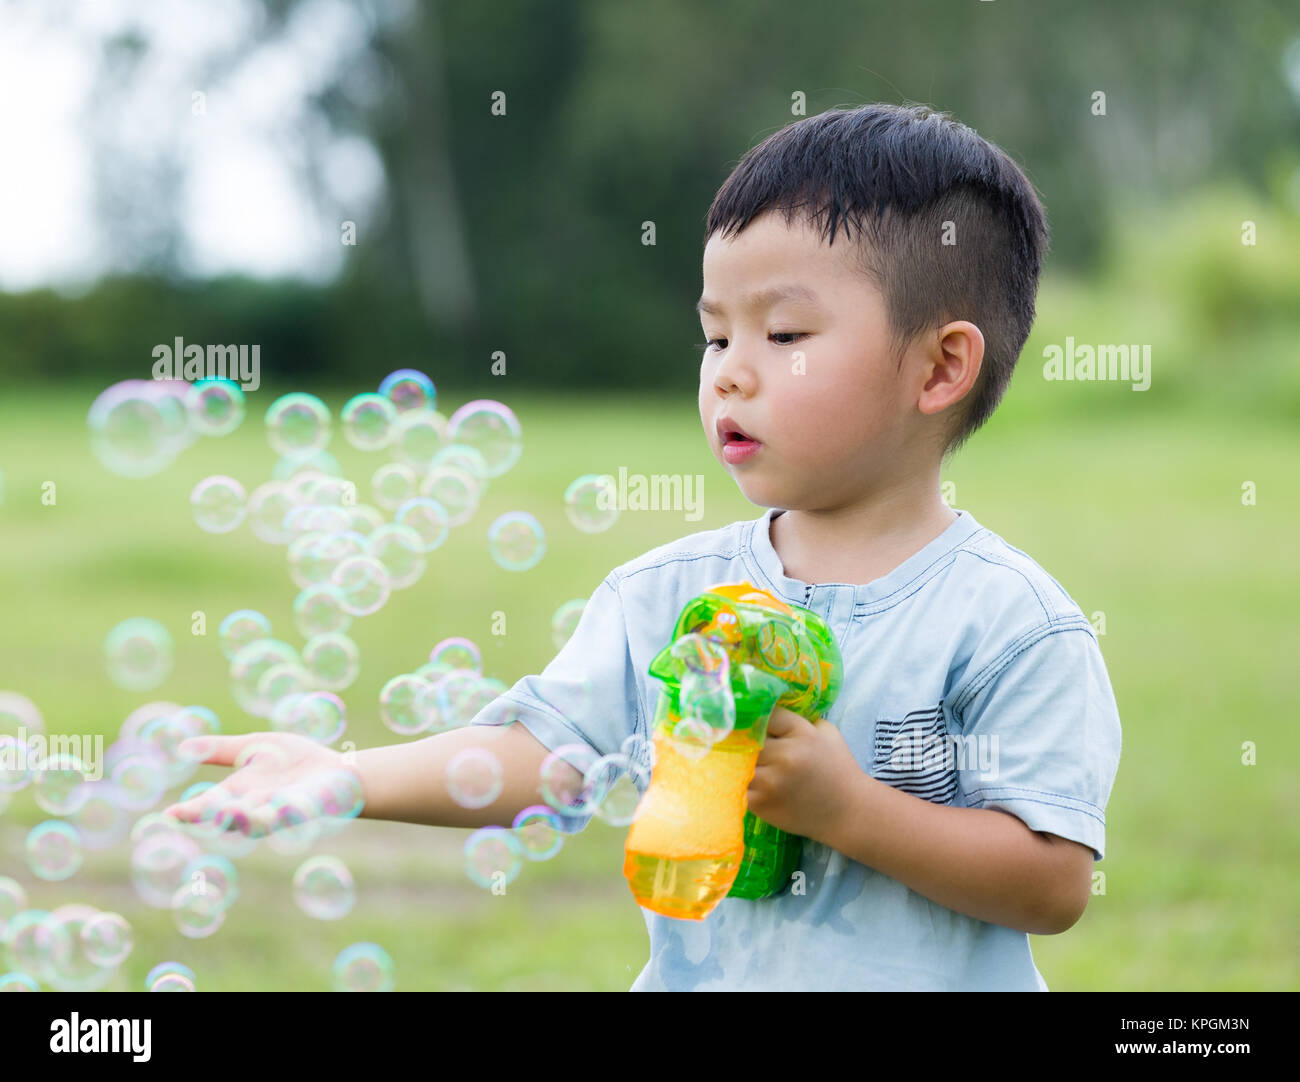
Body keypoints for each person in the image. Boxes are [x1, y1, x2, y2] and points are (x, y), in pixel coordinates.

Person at [167, 102, 1122, 991]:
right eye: (714, 338)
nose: (729, 376)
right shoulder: (668, 596)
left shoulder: (1008, 625)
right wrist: (344, 775)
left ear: (942, 366)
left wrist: (851, 812)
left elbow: (1051, 882)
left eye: (783, 331)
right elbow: (544, 757)